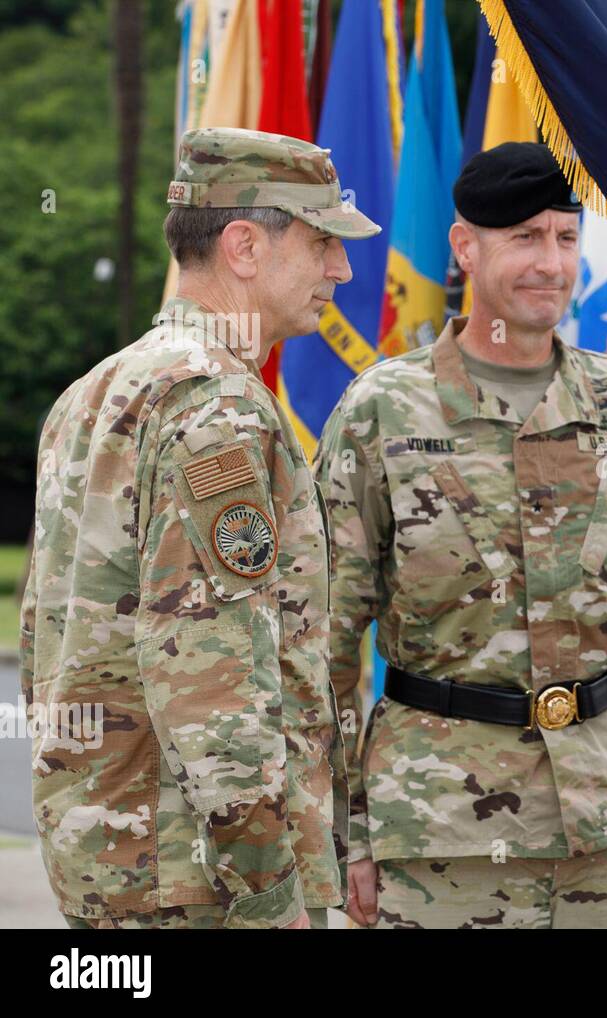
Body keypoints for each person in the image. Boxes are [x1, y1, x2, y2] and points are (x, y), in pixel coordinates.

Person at [316, 141, 607, 929]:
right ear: (464, 247)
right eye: (523, 237)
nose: (550, 262)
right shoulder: (384, 409)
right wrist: (348, 830)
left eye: (563, 236)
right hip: (439, 827)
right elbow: (325, 638)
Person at [19, 126, 379, 928]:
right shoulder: (218, 406)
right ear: (245, 246)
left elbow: (45, 638)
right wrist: (267, 891)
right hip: (200, 884)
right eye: (323, 242)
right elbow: (210, 678)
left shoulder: (94, 391)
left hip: (113, 859)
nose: (342, 270)